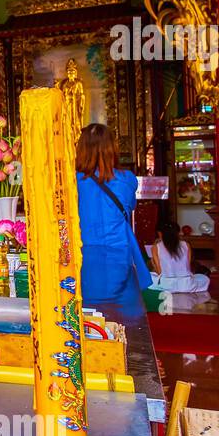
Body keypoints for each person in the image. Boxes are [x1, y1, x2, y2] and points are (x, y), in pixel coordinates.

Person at [75, 123, 151, 313]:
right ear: (112, 148)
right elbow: (130, 206)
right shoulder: (127, 179)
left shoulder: (71, 181)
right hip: (119, 249)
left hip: (85, 251)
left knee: (89, 311)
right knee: (120, 312)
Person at [148, 219, 211, 293]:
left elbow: (159, 271)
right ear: (177, 233)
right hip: (186, 285)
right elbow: (188, 266)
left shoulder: (156, 247)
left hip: (166, 285)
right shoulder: (186, 245)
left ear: (160, 233)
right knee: (204, 278)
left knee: (148, 277)